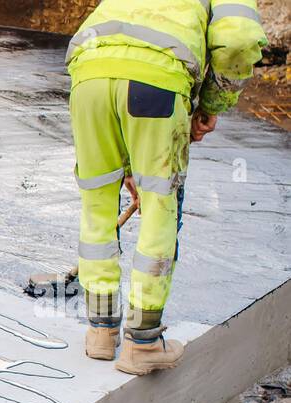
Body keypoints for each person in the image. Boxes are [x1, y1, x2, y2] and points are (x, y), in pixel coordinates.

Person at [68, 0, 266, 375]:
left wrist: (130, 163)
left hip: (89, 75)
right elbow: (238, 41)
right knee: (160, 206)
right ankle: (142, 344)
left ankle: (100, 332)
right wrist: (211, 103)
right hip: (155, 84)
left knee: (97, 203)